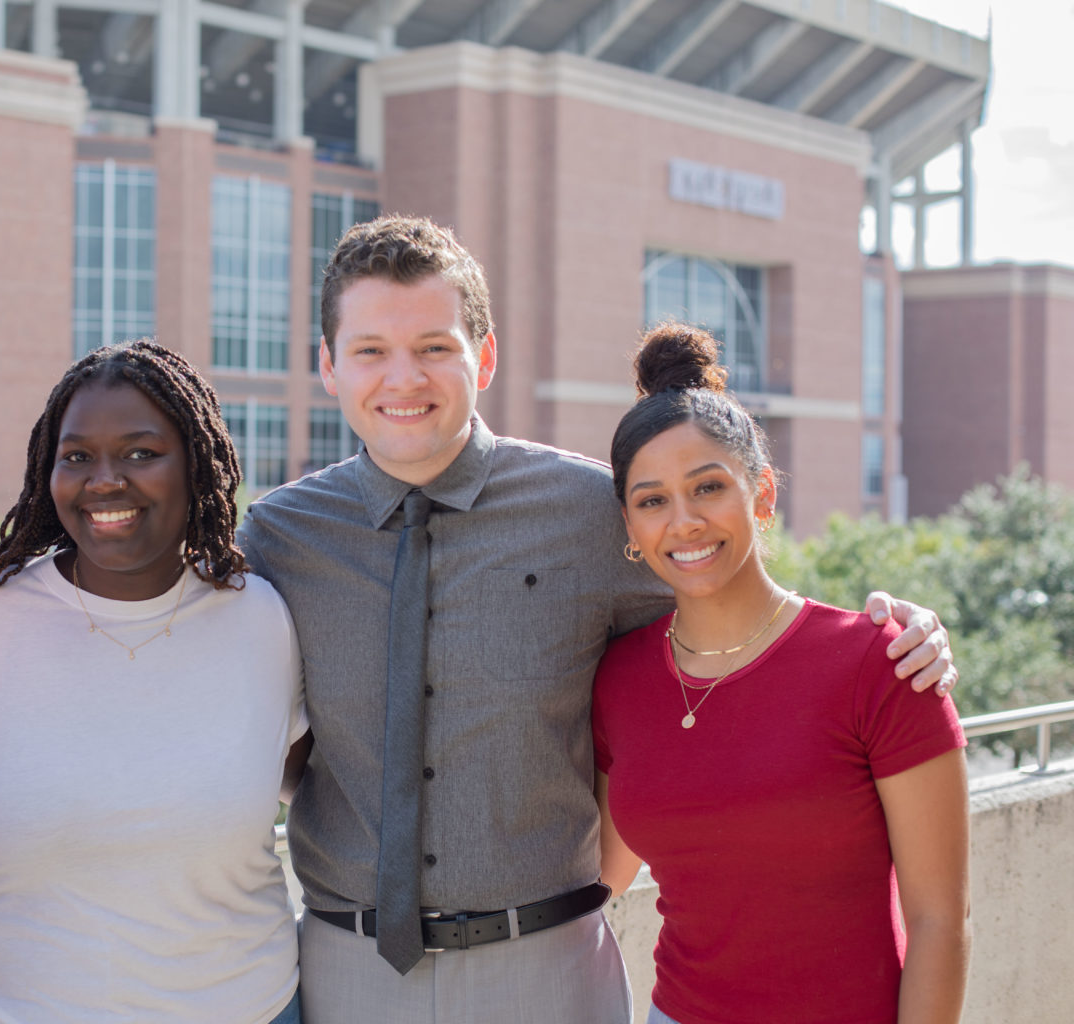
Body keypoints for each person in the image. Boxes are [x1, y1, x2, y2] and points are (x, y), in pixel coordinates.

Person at [236, 214, 958, 1022]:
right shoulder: (278, 536)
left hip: (549, 970)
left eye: (436, 346)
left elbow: (731, 613)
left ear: (486, 355)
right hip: (344, 972)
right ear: (329, 365)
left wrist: (898, 630)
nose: (403, 378)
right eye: (371, 350)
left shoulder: (593, 511)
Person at [0, 340, 307, 1024]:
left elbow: (317, 798)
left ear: (197, 467)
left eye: (141, 453)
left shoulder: (265, 621)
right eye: (78, 456)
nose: (105, 480)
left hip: (249, 1008)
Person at [592, 322, 970, 1024]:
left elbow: (942, 922)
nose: (684, 522)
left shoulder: (882, 662)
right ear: (630, 526)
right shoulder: (618, 677)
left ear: (762, 493)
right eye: (652, 500)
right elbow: (603, 875)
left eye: (708, 487)